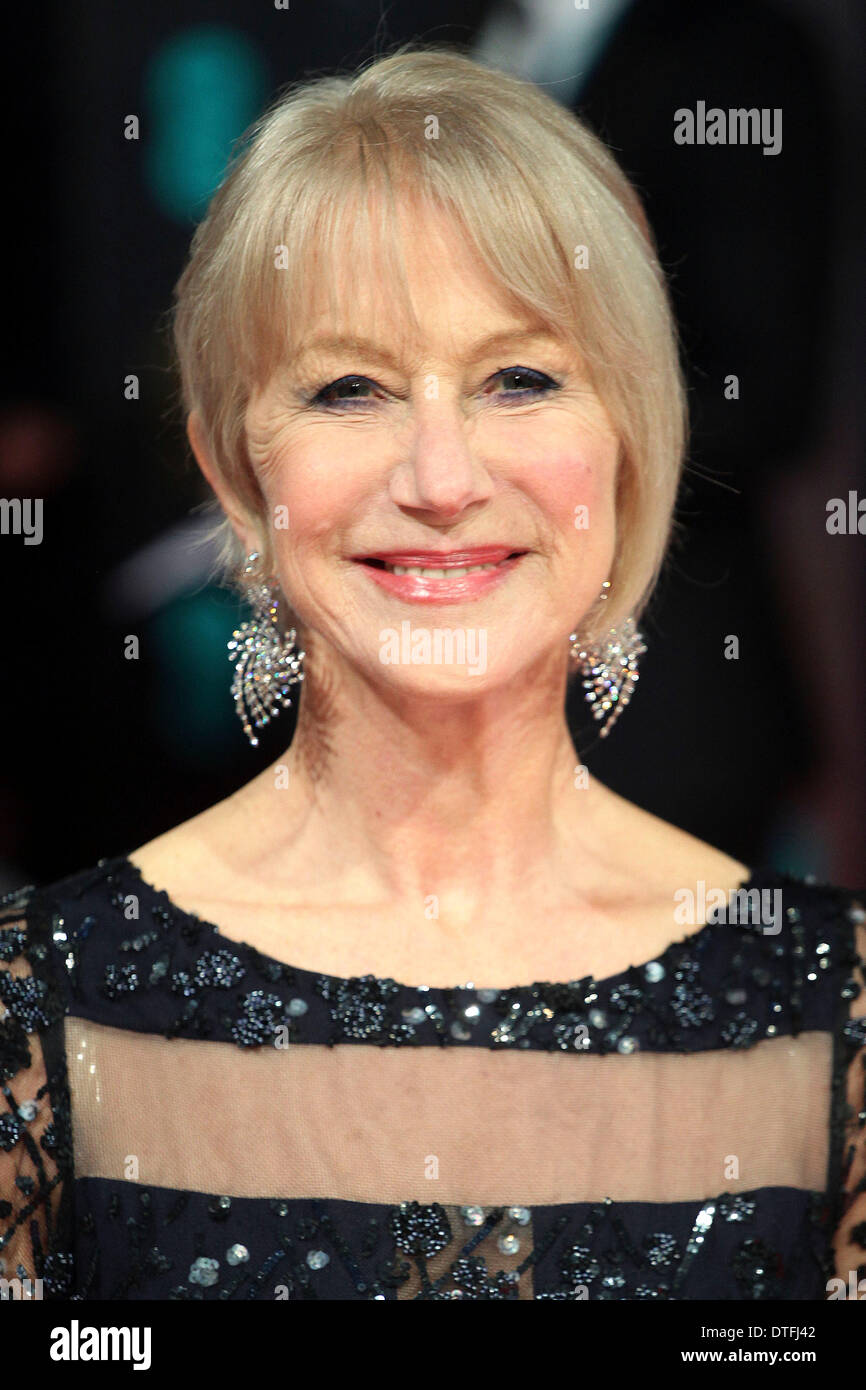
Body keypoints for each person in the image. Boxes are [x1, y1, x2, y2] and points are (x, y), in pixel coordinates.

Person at [1, 44, 864, 1302]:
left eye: (520, 378)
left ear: (629, 442)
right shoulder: (40, 1010)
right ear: (237, 479)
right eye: (347, 388)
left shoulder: (830, 1016)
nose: (442, 478)